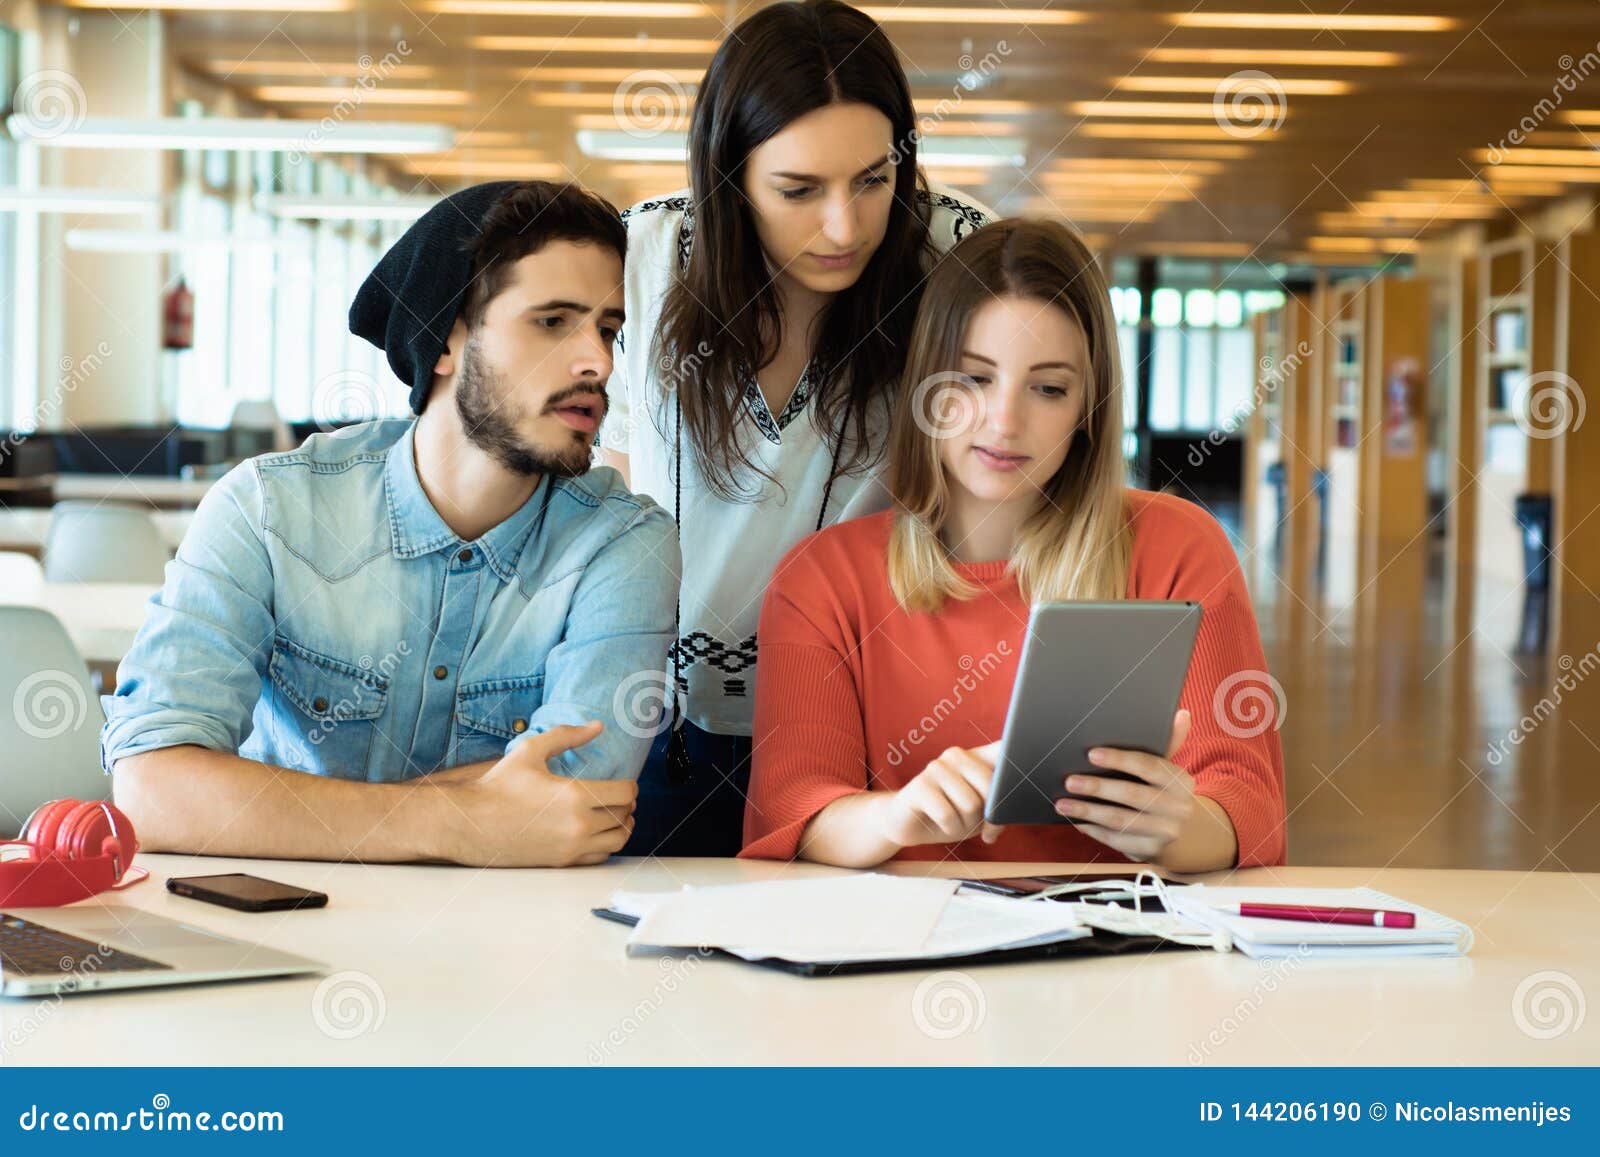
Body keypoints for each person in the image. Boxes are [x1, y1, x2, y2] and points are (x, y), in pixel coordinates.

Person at [102, 181, 680, 868]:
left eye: (608, 329)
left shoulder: (625, 544)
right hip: (270, 936)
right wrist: (460, 823)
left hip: (511, 953)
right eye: (552, 322)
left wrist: (272, 808)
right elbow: (152, 788)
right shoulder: (267, 510)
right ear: (443, 341)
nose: (600, 361)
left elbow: (577, 803)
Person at [741, 218, 1287, 872]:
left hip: (1120, 947)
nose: (1005, 421)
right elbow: (791, 813)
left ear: (1088, 406)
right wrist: (895, 815)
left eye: (1049, 388)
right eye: (974, 379)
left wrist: (1180, 826)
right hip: (905, 952)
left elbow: (1248, 806)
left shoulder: (1176, 547)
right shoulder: (822, 578)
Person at [601, 0, 996, 855]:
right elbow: (611, 491)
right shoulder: (642, 255)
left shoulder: (953, 256)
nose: (845, 227)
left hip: (873, 730)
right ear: (727, 174)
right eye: (798, 190)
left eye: (872, 181)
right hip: (659, 723)